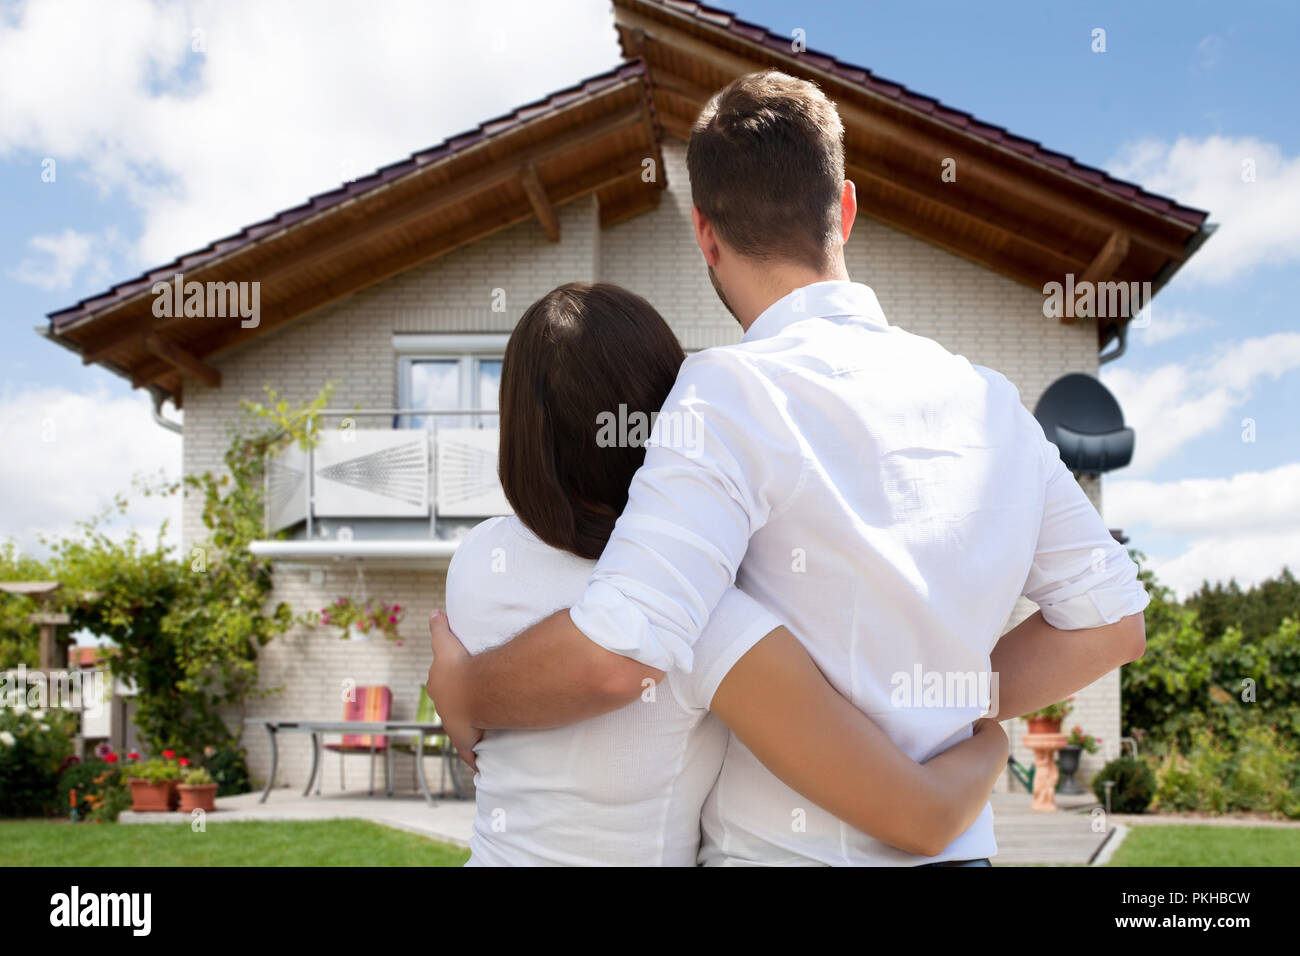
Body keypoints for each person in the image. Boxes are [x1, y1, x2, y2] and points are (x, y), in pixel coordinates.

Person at [429, 71, 1147, 866]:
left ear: (705, 235)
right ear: (843, 208)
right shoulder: (992, 404)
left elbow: (619, 651)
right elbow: (1112, 622)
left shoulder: (725, 394)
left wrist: (461, 693)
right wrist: (947, 702)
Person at [447, 282, 1007, 866]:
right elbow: (923, 819)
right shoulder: (697, 613)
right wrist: (988, 737)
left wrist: (459, 692)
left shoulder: (477, 559)